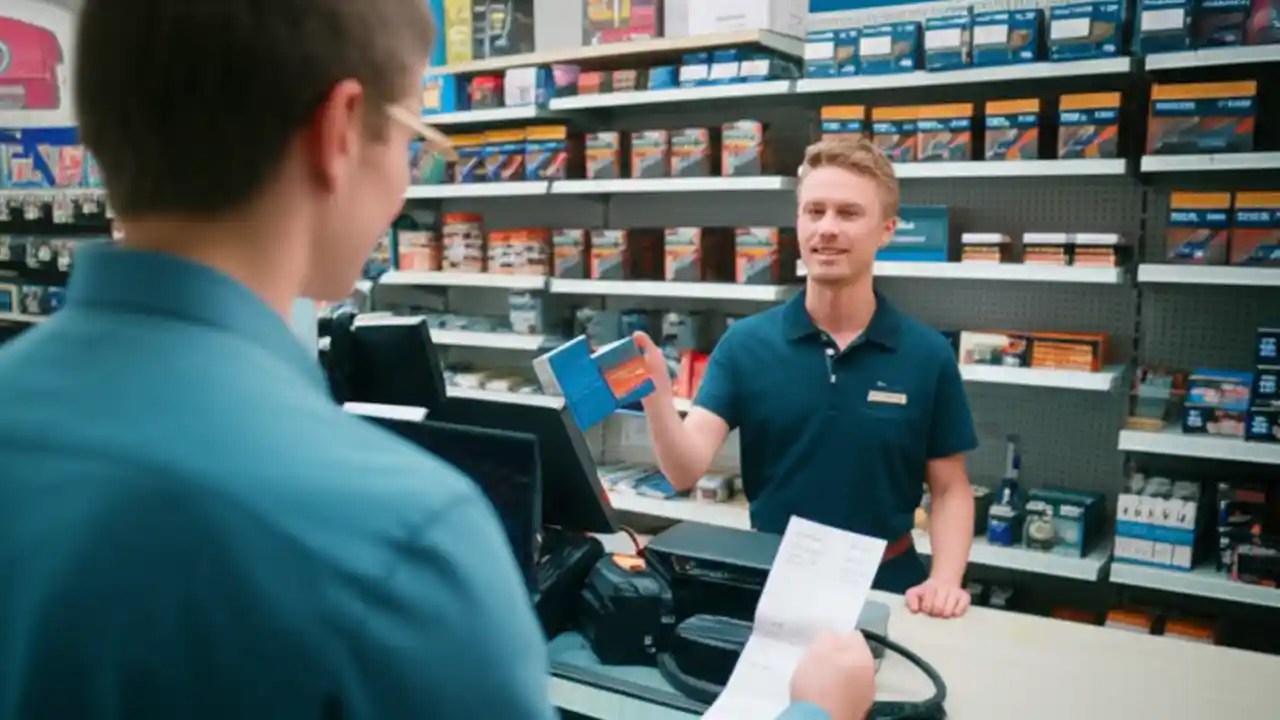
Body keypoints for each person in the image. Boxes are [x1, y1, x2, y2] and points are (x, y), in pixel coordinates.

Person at [0, 2, 875, 718]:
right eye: (412, 134)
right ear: (340, 134)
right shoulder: (401, 534)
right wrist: (811, 714)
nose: (407, 177)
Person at [637, 137, 978, 619]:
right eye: (814, 211)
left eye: (848, 213)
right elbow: (683, 469)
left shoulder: (925, 355)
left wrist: (945, 580)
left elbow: (949, 488)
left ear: (886, 230)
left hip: (890, 587)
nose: (827, 229)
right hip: (771, 579)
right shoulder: (746, 345)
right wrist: (655, 394)